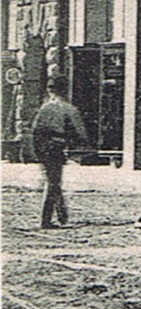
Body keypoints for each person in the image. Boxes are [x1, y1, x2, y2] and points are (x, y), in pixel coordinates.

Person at [31, 76, 87, 229]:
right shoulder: (68, 108)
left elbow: (35, 129)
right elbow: (81, 132)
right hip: (56, 146)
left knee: (52, 180)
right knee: (53, 182)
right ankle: (46, 219)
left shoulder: (45, 107)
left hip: (42, 146)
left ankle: (62, 214)